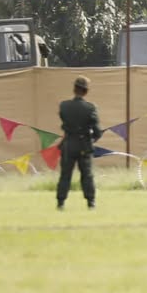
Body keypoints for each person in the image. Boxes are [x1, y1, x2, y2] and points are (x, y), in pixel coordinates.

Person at [56, 76, 101, 210]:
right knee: (87, 175)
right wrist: (91, 140)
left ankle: (61, 202)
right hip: (84, 145)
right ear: (86, 91)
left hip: (68, 144)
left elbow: (64, 120)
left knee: (65, 175)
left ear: (74, 88)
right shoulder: (90, 108)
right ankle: (91, 202)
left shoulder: (64, 106)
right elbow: (97, 131)